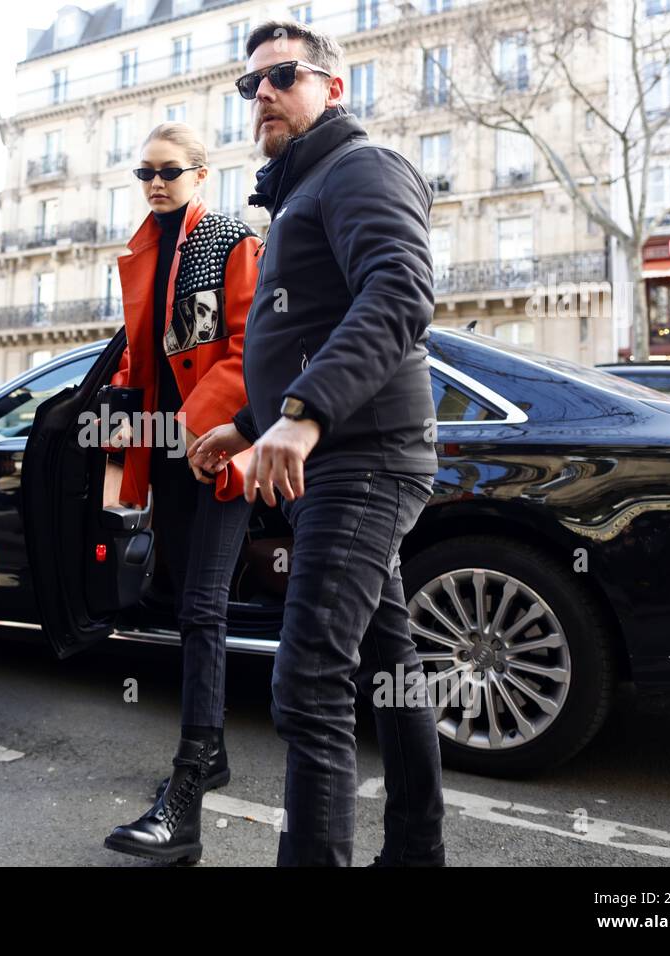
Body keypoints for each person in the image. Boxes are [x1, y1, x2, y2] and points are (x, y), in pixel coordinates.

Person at [189, 20, 445, 867]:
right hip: (342, 453)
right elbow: (312, 330)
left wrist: (304, 415)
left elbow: (399, 293)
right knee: (389, 663)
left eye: (283, 76)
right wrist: (249, 424)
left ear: (333, 87)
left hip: (362, 457)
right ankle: (416, 854)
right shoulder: (303, 190)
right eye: (250, 84)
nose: (262, 92)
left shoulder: (362, 167)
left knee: (308, 681)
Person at [101, 122, 263, 865]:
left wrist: (204, 428)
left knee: (203, 607)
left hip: (217, 447)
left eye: (168, 170)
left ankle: (190, 782)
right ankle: (213, 751)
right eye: (145, 173)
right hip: (167, 452)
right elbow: (143, 358)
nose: (155, 183)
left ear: (202, 173)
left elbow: (248, 350)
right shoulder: (145, 249)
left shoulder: (229, 239)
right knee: (188, 607)